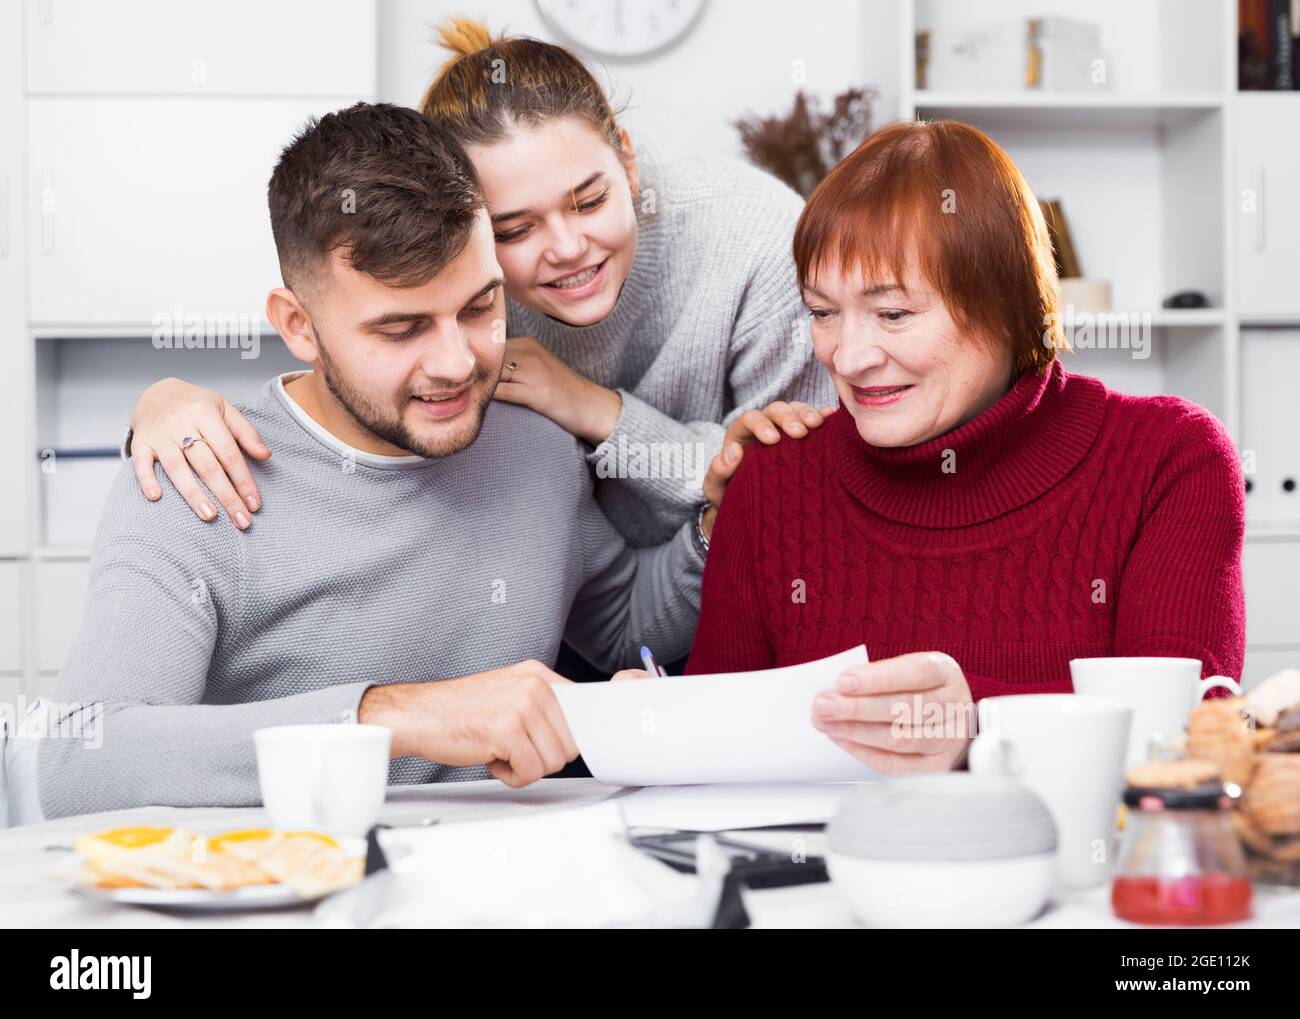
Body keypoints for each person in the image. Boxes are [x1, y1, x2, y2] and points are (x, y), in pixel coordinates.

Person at [37, 103, 710, 819]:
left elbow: (622, 623)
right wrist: (400, 718)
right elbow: (83, 762)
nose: (457, 363)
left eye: (480, 308)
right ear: (299, 325)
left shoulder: (537, 445)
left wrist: (717, 521)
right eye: (402, 328)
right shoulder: (198, 473)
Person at [118, 17, 836, 557]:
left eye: (589, 201)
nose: (567, 249)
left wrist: (594, 409)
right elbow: (358, 366)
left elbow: (806, 490)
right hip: (564, 616)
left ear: (626, 158)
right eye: (515, 229)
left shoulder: (751, 234)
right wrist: (163, 400)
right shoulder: (461, 290)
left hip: (740, 589)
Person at [688, 120, 1246, 775]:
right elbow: (713, 764)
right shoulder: (773, 479)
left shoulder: (1168, 460)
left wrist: (979, 722)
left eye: (893, 313)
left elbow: (1180, 748)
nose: (848, 355)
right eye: (822, 311)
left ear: (1008, 307)